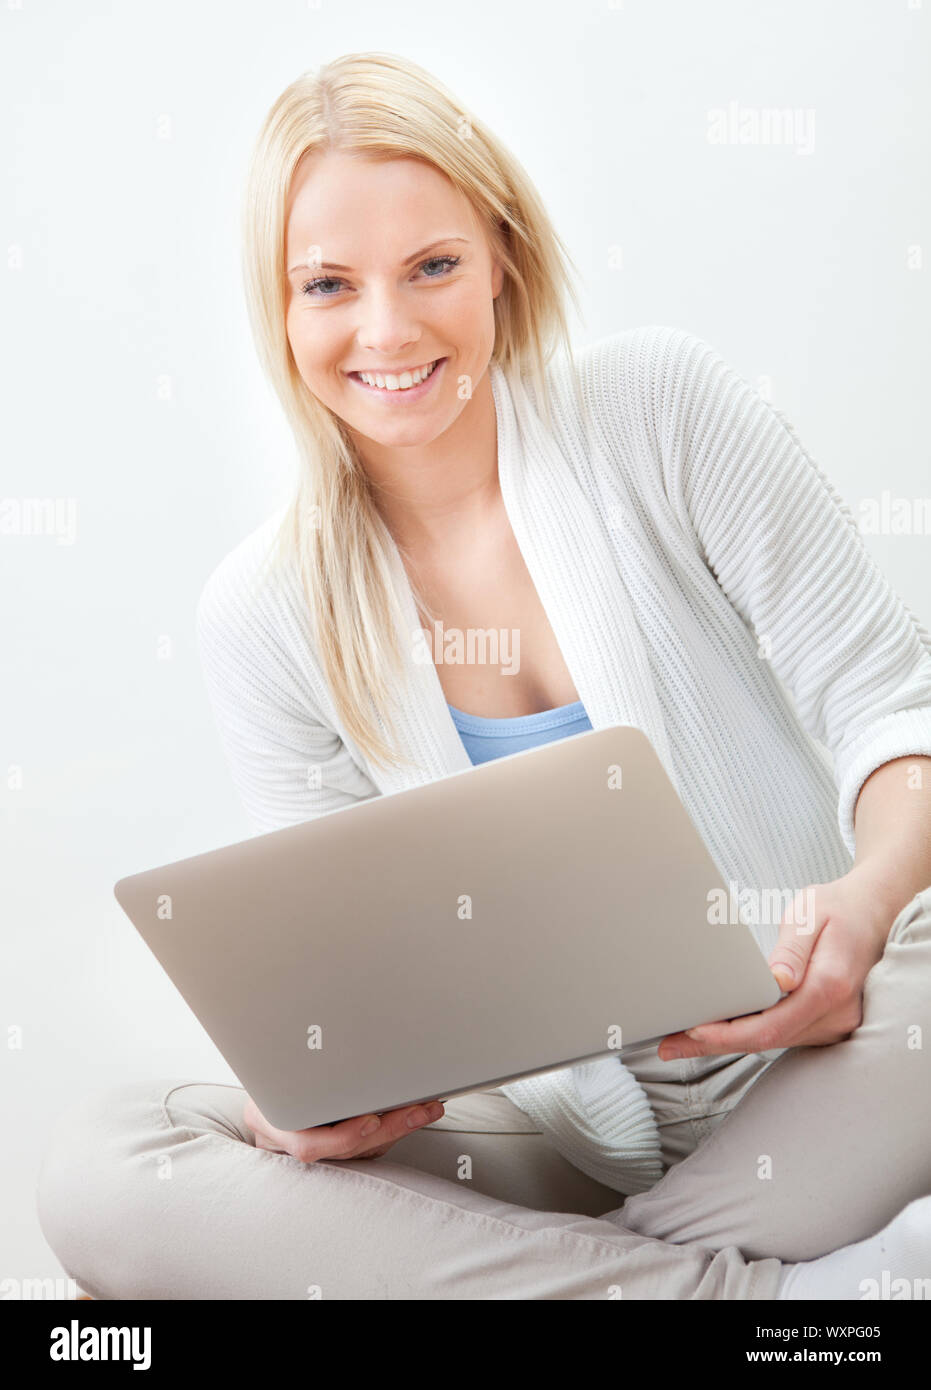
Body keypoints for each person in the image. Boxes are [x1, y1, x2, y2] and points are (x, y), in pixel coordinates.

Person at [36, 52, 931, 1300]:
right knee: (111, 1166)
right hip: (573, 1130)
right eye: (328, 284)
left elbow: (891, 707)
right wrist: (320, 1092)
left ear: (502, 256)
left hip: (840, 1034)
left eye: (432, 266)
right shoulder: (262, 614)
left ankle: (584, 1282)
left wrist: (868, 904)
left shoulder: (659, 407)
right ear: (278, 310)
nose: (387, 330)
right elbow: (348, 979)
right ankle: (772, 1291)